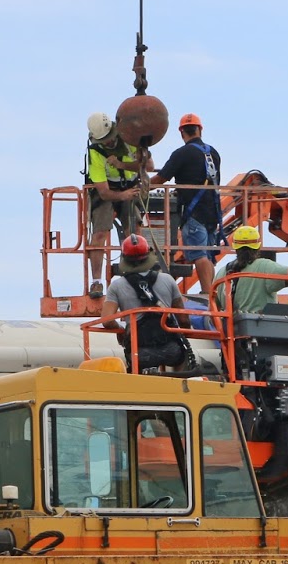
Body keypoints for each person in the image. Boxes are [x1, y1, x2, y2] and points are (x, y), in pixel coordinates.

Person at [149, 113, 221, 295]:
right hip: (212, 213)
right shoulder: (213, 153)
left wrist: (140, 186)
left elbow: (161, 178)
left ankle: (207, 294)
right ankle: (210, 293)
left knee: (199, 255)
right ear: (200, 130)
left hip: (193, 212)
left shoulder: (182, 154)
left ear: (182, 132)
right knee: (208, 255)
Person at [100, 234, 190, 373]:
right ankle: (180, 381)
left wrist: (121, 331)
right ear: (149, 255)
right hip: (172, 350)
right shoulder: (168, 280)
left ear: (124, 258)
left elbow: (107, 321)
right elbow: (183, 319)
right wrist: (185, 335)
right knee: (181, 358)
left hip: (139, 353)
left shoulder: (116, 286)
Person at [84, 112, 149, 281]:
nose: (108, 142)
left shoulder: (130, 140)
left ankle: (137, 273)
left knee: (134, 233)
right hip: (107, 194)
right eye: (103, 140)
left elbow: (148, 166)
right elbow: (104, 192)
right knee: (99, 234)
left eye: (110, 138)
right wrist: (122, 195)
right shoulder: (95, 152)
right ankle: (96, 281)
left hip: (129, 188)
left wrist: (121, 165)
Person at [213, 225, 288, 313]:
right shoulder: (264, 267)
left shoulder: (222, 273)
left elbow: (213, 308)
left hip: (231, 334)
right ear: (258, 246)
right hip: (262, 332)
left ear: (235, 247)